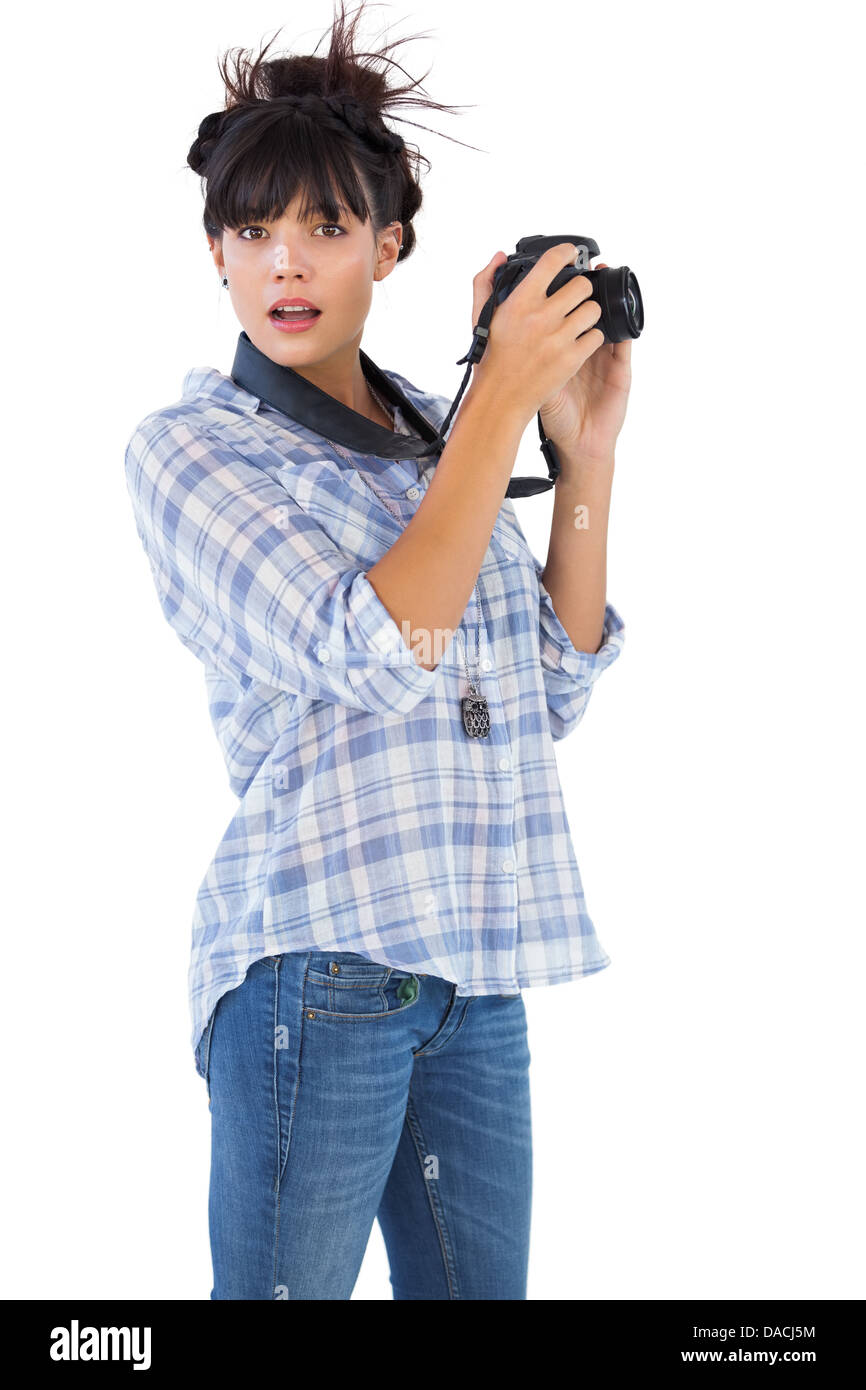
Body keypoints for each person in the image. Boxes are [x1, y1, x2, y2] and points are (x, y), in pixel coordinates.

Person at [124, 0, 631, 1300]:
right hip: (314, 969)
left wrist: (581, 455)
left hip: (473, 967)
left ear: (387, 247)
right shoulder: (195, 448)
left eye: (326, 227)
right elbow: (372, 645)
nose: (285, 262)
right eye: (252, 229)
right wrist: (497, 407)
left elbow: (550, 685)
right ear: (216, 256)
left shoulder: (431, 438)